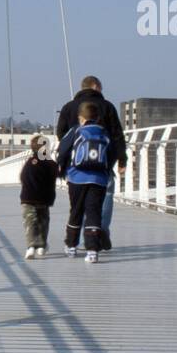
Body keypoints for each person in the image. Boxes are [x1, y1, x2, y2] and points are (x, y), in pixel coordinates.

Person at [55, 75, 127, 251]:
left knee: (77, 206)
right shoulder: (108, 106)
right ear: (96, 87)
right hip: (102, 166)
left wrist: (64, 161)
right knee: (104, 199)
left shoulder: (68, 107)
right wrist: (121, 159)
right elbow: (117, 135)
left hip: (76, 169)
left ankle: (73, 242)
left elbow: (61, 134)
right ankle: (100, 233)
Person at [56, 102, 111, 264]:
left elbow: (63, 151)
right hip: (99, 180)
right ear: (97, 118)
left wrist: (62, 169)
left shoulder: (76, 131)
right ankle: (92, 251)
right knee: (94, 213)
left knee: (76, 211)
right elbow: (112, 153)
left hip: (77, 178)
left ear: (81, 118)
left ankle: (71, 246)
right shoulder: (104, 132)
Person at [19, 134, 59, 259]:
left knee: (30, 221)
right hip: (44, 199)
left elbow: (22, 177)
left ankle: (31, 246)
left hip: (28, 197)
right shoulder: (51, 163)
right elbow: (58, 174)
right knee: (43, 221)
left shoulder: (30, 162)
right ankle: (41, 245)